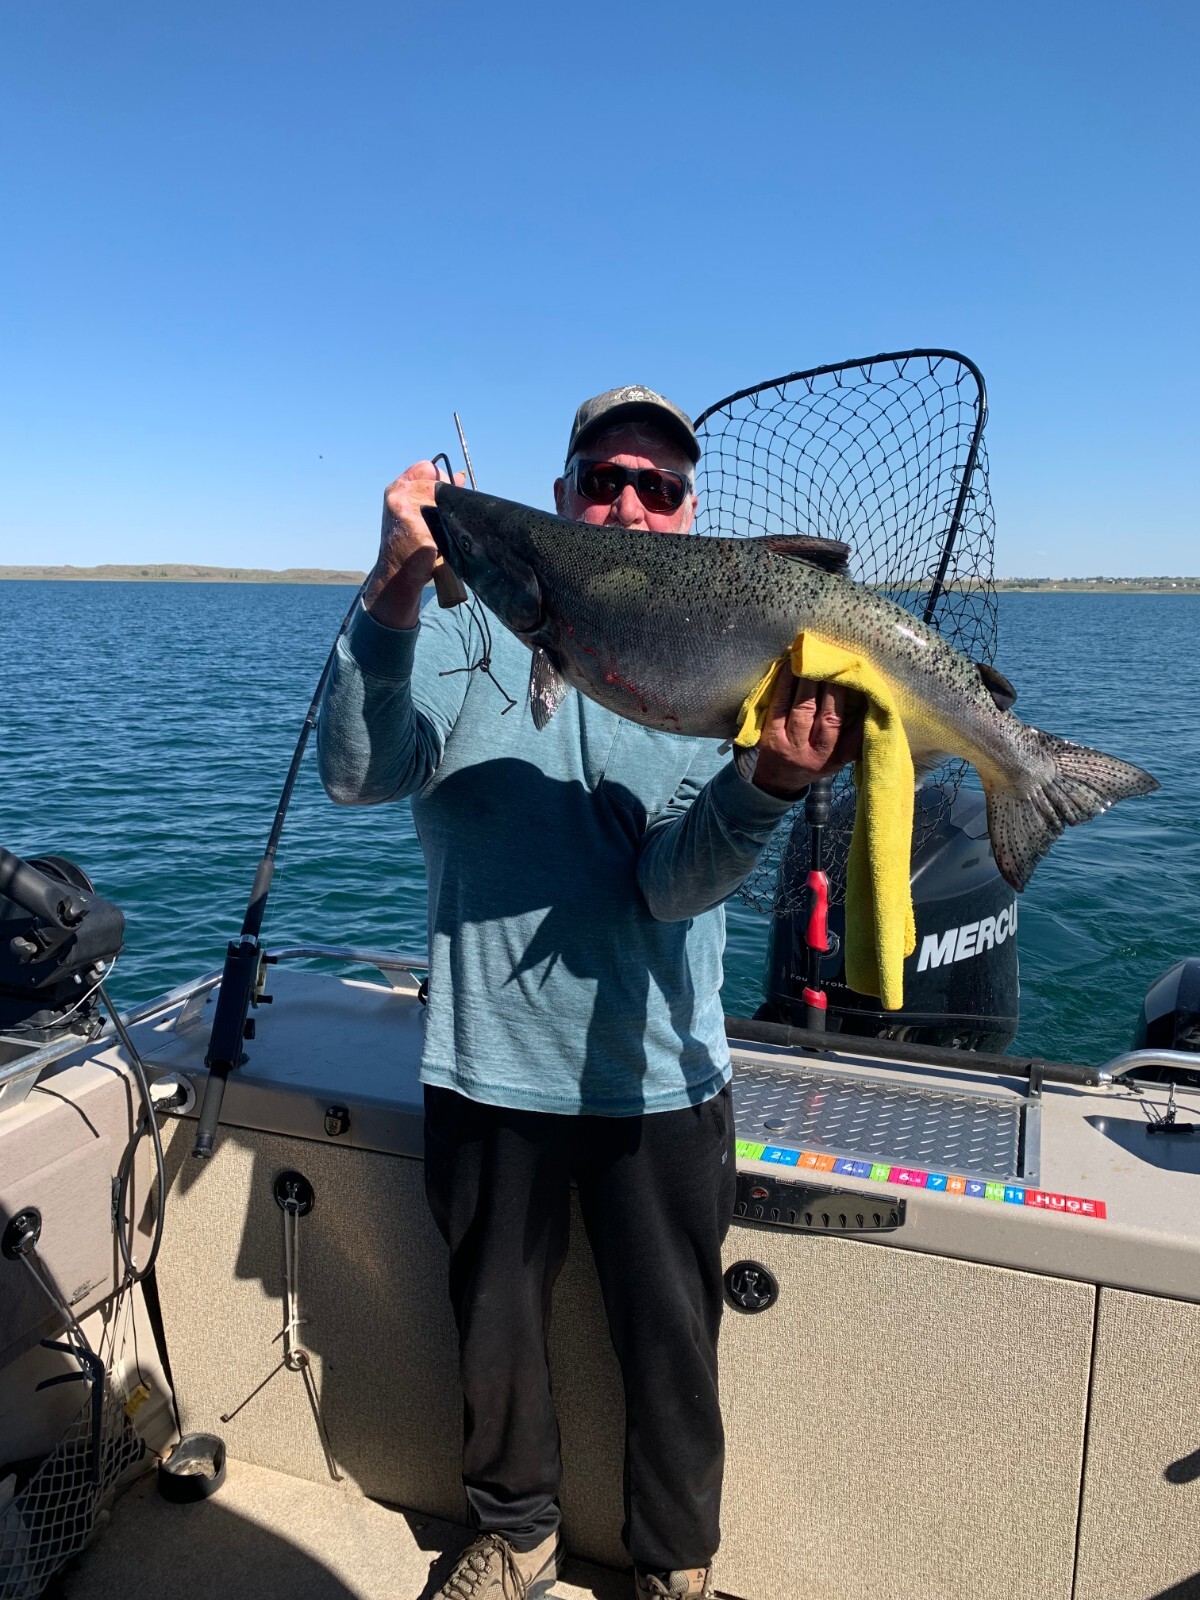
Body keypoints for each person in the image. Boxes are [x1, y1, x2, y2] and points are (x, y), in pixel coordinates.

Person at [317, 386, 862, 1600]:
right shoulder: (463, 622)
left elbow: (672, 887)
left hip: (661, 1070)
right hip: (487, 1061)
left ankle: (678, 1563)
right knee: (496, 1337)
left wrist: (767, 784)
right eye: (606, 479)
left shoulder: (722, 667)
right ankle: (516, 1536)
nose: (629, 502)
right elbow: (356, 771)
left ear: (688, 516)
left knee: (674, 1348)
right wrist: (394, 588)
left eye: (658, 487)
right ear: (564, 497)